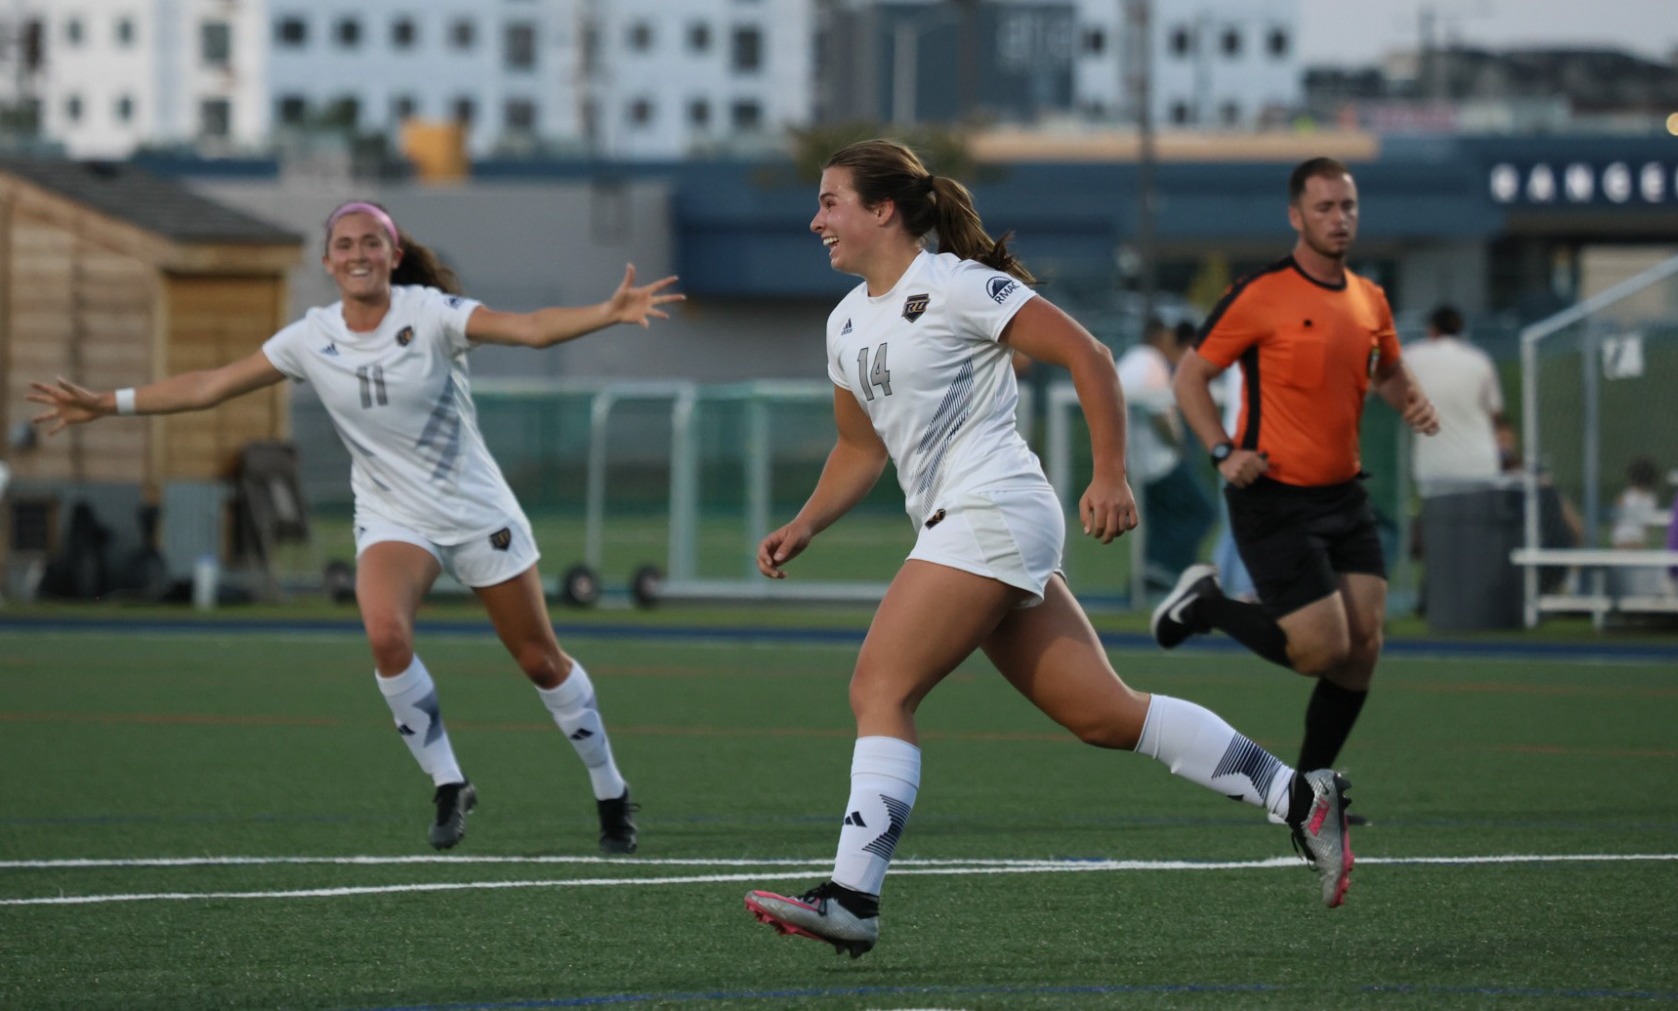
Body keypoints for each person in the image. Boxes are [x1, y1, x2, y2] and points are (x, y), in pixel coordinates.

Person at [740, 139, 1356, 960]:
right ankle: (1299, 795)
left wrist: (1110, 475)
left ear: (882, 209)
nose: (816, 219)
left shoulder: (956, 285)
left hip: (992, 507)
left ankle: (852, 896)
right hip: (972, 523)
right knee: (1105, 715)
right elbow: (860, 449)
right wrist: (807, 522)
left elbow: (1087, 355)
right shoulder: (846, 321)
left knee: (879, 686)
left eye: (830, 201)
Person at [29, 200, 684, 854]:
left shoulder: (428, 313)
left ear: (394, 255)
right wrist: (104, 403)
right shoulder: (310, 337)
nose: (358, 254)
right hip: (393, 515)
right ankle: (449, 782)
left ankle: (610, 792)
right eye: (344, 245)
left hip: (476, 511)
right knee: (385, 632)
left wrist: (607, 311)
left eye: (372, 242)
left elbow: (531, 327)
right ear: (327, 262)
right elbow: (209, 385)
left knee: (540, 659)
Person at [1155, 157, 1439, 786]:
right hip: (1272, 495)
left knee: (1363, 649)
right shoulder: (1262, 294)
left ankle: (1310, 793)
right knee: (1321, 651)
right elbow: (1189, 376)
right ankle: (1206, 606)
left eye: (1348, 208)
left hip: (1345, 496)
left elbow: (1386, 367)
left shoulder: (1370, 299)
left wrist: (1410, 399)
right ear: (1296, 216)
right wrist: (1223, 452)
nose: (1339, 220)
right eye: (1325, 208)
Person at [1115, 316, 1216, 587]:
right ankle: (1167, 569)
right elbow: (1160, 413)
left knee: (1162, 522)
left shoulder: (1132, 360)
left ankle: (1152, 573)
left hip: (1135, 462)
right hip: (1158, 462)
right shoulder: (1152, 363)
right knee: (1203, 513)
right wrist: (1180, 446)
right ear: (1162, 338)